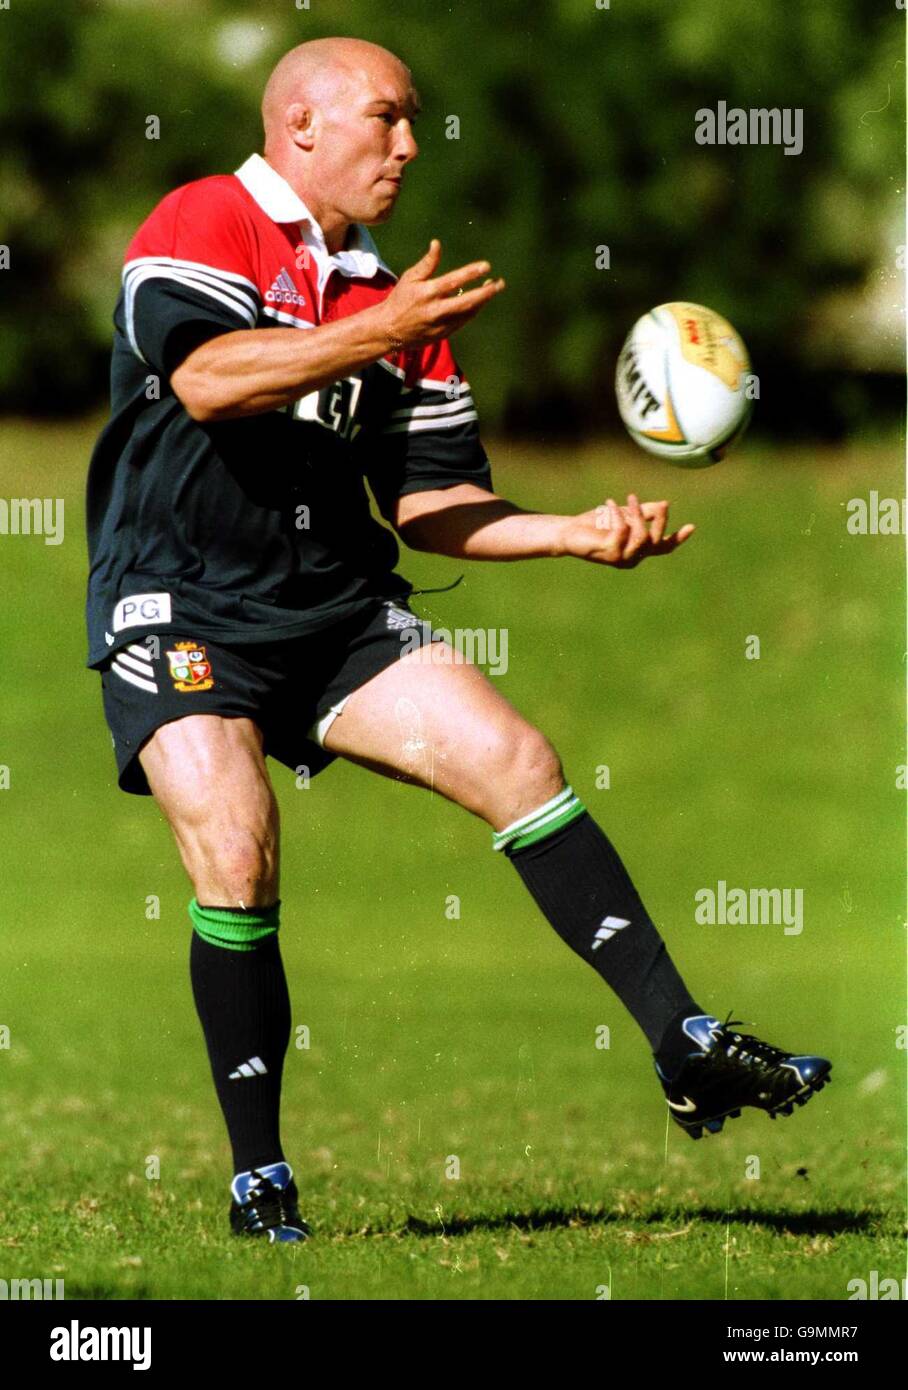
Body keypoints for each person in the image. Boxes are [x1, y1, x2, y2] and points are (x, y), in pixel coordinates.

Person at [85, 36, 830, 1243]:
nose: (410, 145)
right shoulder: (207, 217)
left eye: (414, 120)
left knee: (516, 760)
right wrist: (376, 333)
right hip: (176, 597)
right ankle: (259, 1177)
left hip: (328, 605)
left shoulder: (393, 293)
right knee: (235, 844)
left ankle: (682, 1042)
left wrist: (574, 531)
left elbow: (430, 504)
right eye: (386, 118)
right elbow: (213, 379)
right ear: (303, 125)